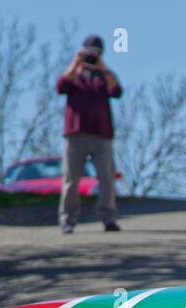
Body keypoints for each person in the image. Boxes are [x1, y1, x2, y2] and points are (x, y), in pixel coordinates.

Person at [56, 34, 123, 234]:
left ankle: (108, 218)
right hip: (75, 133)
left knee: (107, 178)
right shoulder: (74, 74)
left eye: (97, 54)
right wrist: (76, 63)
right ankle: (68, 219)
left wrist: (103, 68)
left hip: (102, 133)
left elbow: (117, 91)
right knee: (71, 179)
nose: (93, 57)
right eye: (90, 53)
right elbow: (60, 87)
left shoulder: (104, 75)